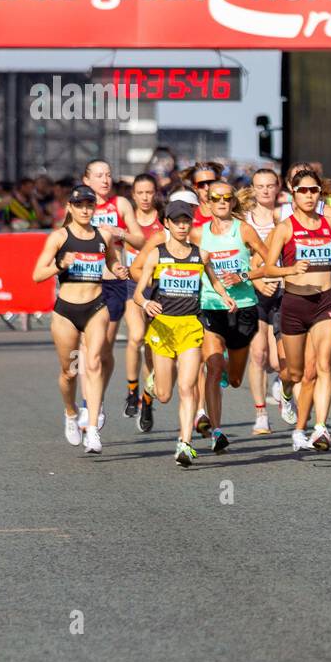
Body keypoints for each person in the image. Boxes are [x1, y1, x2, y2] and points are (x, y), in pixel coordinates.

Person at [132, 200, 237, 467]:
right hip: (163, 328)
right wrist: (146, 303)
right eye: (176, 221)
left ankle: (185, 443)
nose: (181, 226)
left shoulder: (200, 255)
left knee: (188, 387)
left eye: (186, 221)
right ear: (166, 223)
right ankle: (151, 383)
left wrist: (225, 297)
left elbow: (213, 280)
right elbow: (138, 292)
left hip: (190, 326)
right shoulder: (157, 254)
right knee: (165, 394)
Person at [31, 184, 128, 453]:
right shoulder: (59, 237)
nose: (85, 210)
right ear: (70, 208)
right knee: (69, 372)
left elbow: (110, 261)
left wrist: (117, 269)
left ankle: (93, 428)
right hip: (66, 312)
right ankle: (71, 413)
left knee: (94, 363)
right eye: (80, 205)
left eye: (89, 205)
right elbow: (37, 275)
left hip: (97, 307)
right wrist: (61, 264)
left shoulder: (103, 236)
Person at [265, 166, 331, 452]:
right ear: (293, 194)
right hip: (294, 303)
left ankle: (319, 428)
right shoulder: (285, 227)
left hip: (324, 302)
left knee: (321, 367)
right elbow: (266, 267)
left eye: (315, 190)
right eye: (304, 191)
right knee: (297, 373)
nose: (310, 196)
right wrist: (289, 269)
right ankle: (286, 391)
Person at [191, 180, 270, 452]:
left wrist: (245, 275)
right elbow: (179, 258)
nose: (222, 202)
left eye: (227, 197)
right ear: (208, 202)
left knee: (234, 379)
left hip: (244, 306)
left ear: (233, 201)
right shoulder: (198, 234)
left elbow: (269, 261)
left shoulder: (244, 230)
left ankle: (227, 369)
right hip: (211, 305)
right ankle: (217, 431)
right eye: (216, 198)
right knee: (212, 367)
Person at [83, 160, 147, 433]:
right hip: (84, 283)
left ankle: (96, 399)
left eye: (108, 175)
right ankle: (88, 407)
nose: (105, 180)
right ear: (87, 180)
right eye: (99, 176)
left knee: (104, 351)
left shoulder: (120, 204)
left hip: (113, 283)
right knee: (90, 352)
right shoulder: (79, 205)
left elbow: (141, 240)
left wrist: (118, 232)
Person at [243, 168, 293, 433]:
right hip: (255, 292)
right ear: (252, 189)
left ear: (278, 187)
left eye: (269, 186)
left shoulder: (286, 217)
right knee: (258, 353)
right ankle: (261, 414)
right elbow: (242, 258)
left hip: (283, 290)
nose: (264, 190)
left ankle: (284, 390)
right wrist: (257, 280)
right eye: (259, 186)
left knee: (278, 363)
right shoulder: (244, 220)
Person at [122, 173, 163, 432]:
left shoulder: (164, 220)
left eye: (149, 192)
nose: (146, 197)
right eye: (140, 193)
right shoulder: (128, 221)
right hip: (131, 284)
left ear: (155, 193)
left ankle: (147, 400)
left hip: (159, 287)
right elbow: (108, 246)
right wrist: (113, 263)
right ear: (133, 195)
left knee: (151, 346)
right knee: (136, 336)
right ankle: (131, 391)